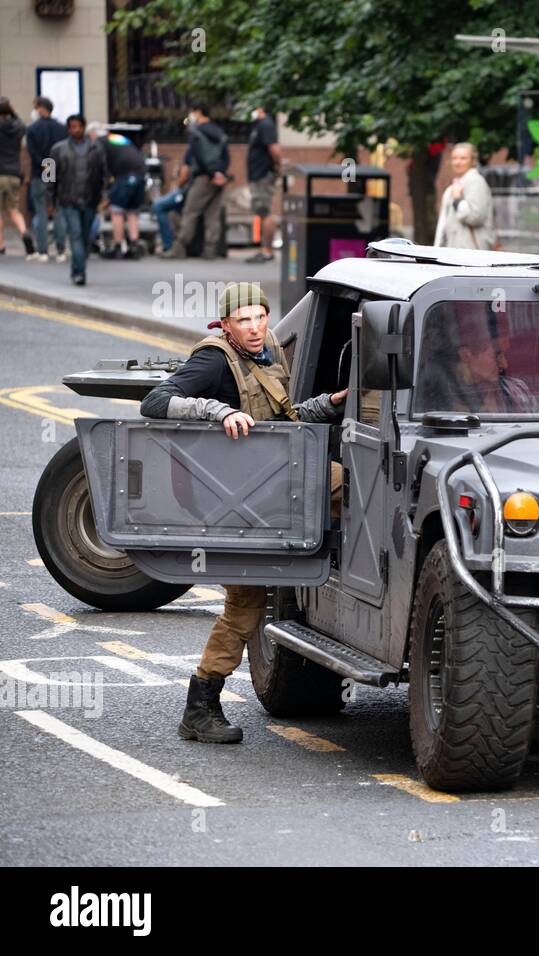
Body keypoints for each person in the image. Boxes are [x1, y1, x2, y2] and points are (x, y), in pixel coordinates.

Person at [139, 282, 346, 743]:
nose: (254, 328)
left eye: (260, 316)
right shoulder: (214, 358)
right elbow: (153, 402)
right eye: (244, 320)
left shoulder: (269, 350)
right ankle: (201, 706)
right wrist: (218, 412)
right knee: (245, 606)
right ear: (226, 324)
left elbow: (284, 423)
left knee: (350, 489)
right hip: (240, 497)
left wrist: (330, 404)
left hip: (276, 480)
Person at [48, 114, 107, 286]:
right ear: (68, 129)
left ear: (83, 127)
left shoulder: (96, 148)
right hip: (68, 200)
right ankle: (80, 273)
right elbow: (48, 176)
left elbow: (104, 174)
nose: (75, 130)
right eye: (72, 127)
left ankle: (76, 269)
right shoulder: (57, 149)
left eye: (78, 126)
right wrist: (49, 201)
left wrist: (103, 196)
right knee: (75, 235)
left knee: (85, 237)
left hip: (90, 200)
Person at [163, 103, 228, 259]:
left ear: (198, 112)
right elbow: (226, 155)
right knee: (212, 214)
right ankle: (210, 250)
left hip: (203, 177)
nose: (190, 116)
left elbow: (199, 156)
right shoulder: (219, 132)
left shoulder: (196, 132)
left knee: (190, 212)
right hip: (219, 178)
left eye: (191, 112)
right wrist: (221, 174)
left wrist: (212, 174)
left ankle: (179, 248)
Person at [87, 124, 147, 258]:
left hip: (125, 174)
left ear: (92, 134)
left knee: (116, 210)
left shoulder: (99, 142)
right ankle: (134, 243)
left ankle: (118, 245)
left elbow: (99, 167)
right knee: (133, 209)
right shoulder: (117, 137)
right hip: (140, 172)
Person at [24, 96, 67, 262]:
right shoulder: (61, 128)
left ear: (41, 108)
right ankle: (61, 250)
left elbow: (33, 153)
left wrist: (45, 165)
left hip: (40, 173)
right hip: (58, 174)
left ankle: (42, 251)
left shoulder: (33, 129)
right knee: (58, 212)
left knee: (41, 211)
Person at [432, 142, 497, 250]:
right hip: (455, 251)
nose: (458, 162)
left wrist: (458, 200)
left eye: (463, 158)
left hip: (470, 252)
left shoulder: (476, 181)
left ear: (473, 161)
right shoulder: (454, 185)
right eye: (454, 158)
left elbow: (475, 217)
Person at [244, 106, 281, 263]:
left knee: (265, 212)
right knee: (261, 211)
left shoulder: (266, 124)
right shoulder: (259, 125)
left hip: (263, 175)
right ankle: (264, 249)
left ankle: (267, 251)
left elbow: (274, 148)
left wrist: (278, 167)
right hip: (258, 175)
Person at [0, 97, 35, 257]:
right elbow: (21, 124)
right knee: (14, 209)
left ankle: (1, 244)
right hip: (14, 173)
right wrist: (12, 111)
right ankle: (23, 232)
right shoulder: (18, 128)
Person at [151, 152, 189, 254]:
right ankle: (171, 243)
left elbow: (184, 174)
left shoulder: (196, 140)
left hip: (187, 190)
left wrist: (180, 185)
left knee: (159, 206)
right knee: (167, 208)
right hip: (191, 190)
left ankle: (168, 245)